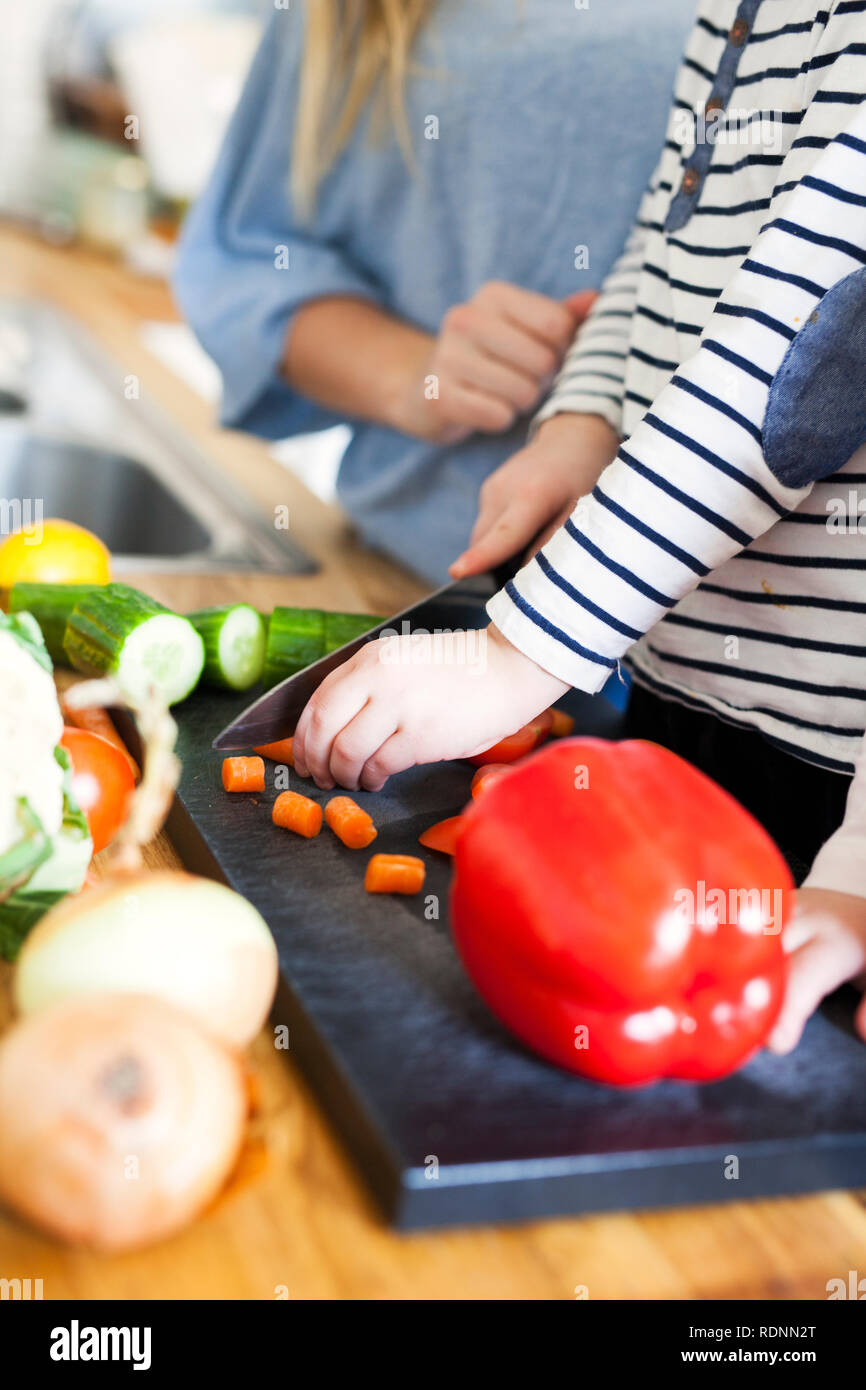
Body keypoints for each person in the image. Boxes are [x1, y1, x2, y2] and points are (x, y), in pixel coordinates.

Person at [292, 0, 866, 1055]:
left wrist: (520, 649)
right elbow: (663, 244)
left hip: (827, 771)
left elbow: (808, 339)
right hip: (674, 688)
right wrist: (582, 421)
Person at [174, 0, 695, 584]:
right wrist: (416, 374)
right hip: (409, 585)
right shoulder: (335, 17)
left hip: (697, 617)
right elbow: (249, 254)